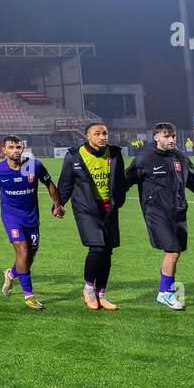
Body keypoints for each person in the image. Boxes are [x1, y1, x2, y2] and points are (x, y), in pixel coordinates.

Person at [124, 122, 194, 311]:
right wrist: (113, 203)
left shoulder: (181, 158)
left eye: (173, 136)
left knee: (175, 252)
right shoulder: (145, 158)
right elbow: (125, 181)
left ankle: (163, 293)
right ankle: (169, 293)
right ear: (156, 137)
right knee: (172, 251)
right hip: (156, 212)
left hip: (178, 211)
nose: (171, 140)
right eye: (166, 136)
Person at [0, 137, 64, 311]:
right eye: (11, 147)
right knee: (22, 251)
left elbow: (50, 185)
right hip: (11, 217)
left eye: (18, 147)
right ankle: (29, 296)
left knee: (29, 256)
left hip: (31, 217)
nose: (15, 150)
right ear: (4, 151)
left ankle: (11, 274)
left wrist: (57, 205)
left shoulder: (33, 165)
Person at [56, 123, 129, 311]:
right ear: (88, 136)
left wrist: (118, 201)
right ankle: (88, 289)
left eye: (104, 133)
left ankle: (101, 294)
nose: (102, 137)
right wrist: (59, 204)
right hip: (86, 209)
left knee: (108, 252)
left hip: (109, 209)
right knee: (96, 248)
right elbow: (65, 183)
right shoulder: (74, 156)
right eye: (97, 134)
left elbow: (120, 181)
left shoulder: (114, 153)